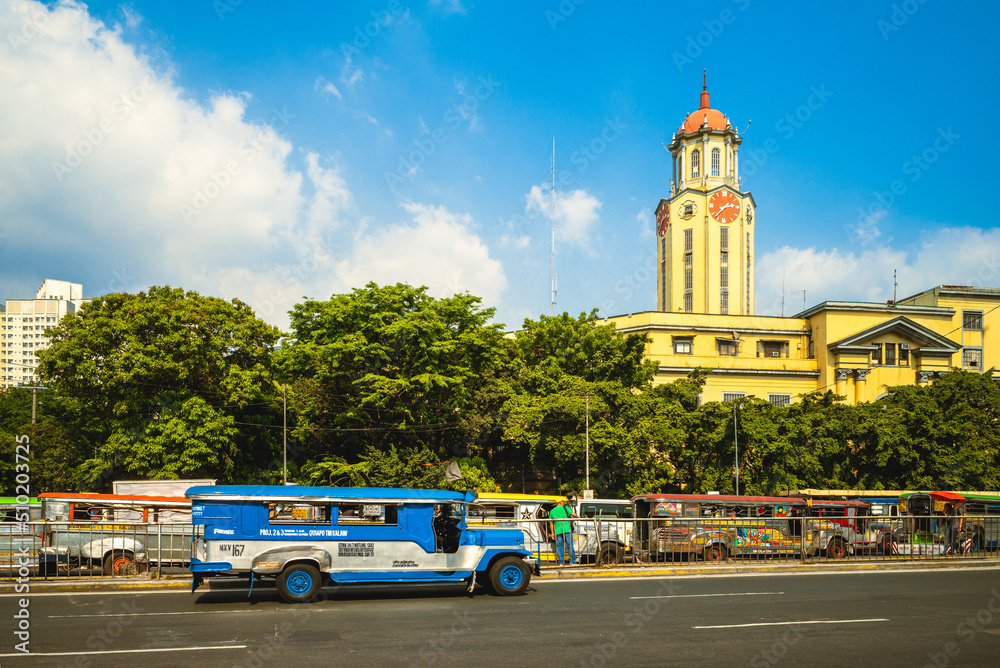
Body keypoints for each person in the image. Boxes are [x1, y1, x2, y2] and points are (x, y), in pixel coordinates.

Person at [548, 498, 579, 565]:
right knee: (570, 545)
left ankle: (561, 562)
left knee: (560, 546)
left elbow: (551, 523)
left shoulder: (552, 511)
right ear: (560, 502)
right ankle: (572, 561)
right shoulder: (565, 508)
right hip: (567, 529)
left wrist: (552, 533)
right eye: (563, 501)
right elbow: (573, 514)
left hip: (558, 531)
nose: (564, 503)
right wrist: (579, 517)